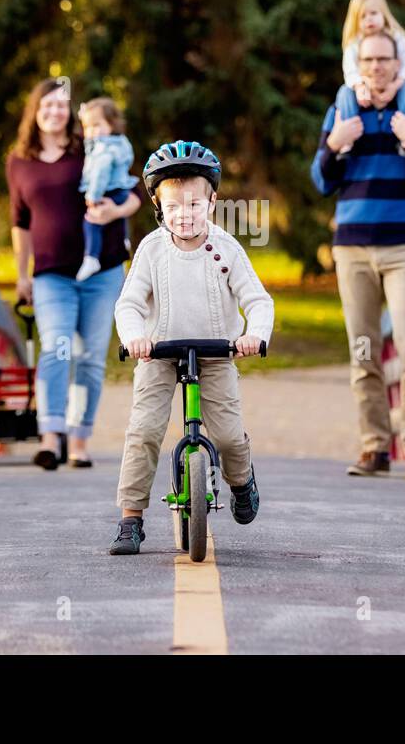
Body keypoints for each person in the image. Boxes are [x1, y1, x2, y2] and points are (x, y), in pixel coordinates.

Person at [109, 141, 274, 555]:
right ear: (158, 206)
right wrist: (135, 337)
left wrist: (254, 334)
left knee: (230, 436)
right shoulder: (152, 249)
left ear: (213, 202)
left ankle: (240, 481)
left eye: (195, 205)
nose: (185, 215)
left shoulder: (225, 248)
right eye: (175, 206)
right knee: (144, 430)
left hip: (217, 352)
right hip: (158, 353)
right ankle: (131, 519)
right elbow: (129, 303)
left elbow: (257, 300)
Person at [310, 30, 405, 480]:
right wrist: (334, 145)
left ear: (397, 62)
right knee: (363, 349)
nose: (375, 67)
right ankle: (375, 447)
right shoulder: (341, 111)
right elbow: (320, 181)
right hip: (352, 249)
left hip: (404, 247)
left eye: (383, 59)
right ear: (359, 64)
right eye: (367, 59)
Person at [6, 78, 145, 470]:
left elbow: (134, 190)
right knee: (57, 348)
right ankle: (51, 439)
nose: (54, 111)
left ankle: (80, 441)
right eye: (46, 104)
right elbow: (19, 222)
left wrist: (115, 212)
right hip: (51, 275)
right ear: (34, 111)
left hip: (102, 271)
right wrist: (22, 274)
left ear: (70, 112)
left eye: (61, 105)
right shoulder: (18, 161)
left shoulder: (92, 146)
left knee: (89, 359)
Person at [335, 0, 405, 157]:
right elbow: (350, 70)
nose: (369, 20)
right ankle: (347, 142)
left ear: (384, 14)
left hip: (398, 84)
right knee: (344, 93)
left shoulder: (397, 37)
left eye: (373, 13)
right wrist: (360, 86)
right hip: (364, 87)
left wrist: (395, 86)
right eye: (363, 16)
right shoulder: (354, 42)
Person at [75, 97, 139, 282]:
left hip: (107, 189)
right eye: (87, 127)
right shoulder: (121, 142)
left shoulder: (103, 148)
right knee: (119, 216)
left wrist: (93, 195)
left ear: (111, 124)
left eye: (96, 125)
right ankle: (124, 240)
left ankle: (91, 257)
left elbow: (100, 174)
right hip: (121, 188)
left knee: (91, 221)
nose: (91, 132)